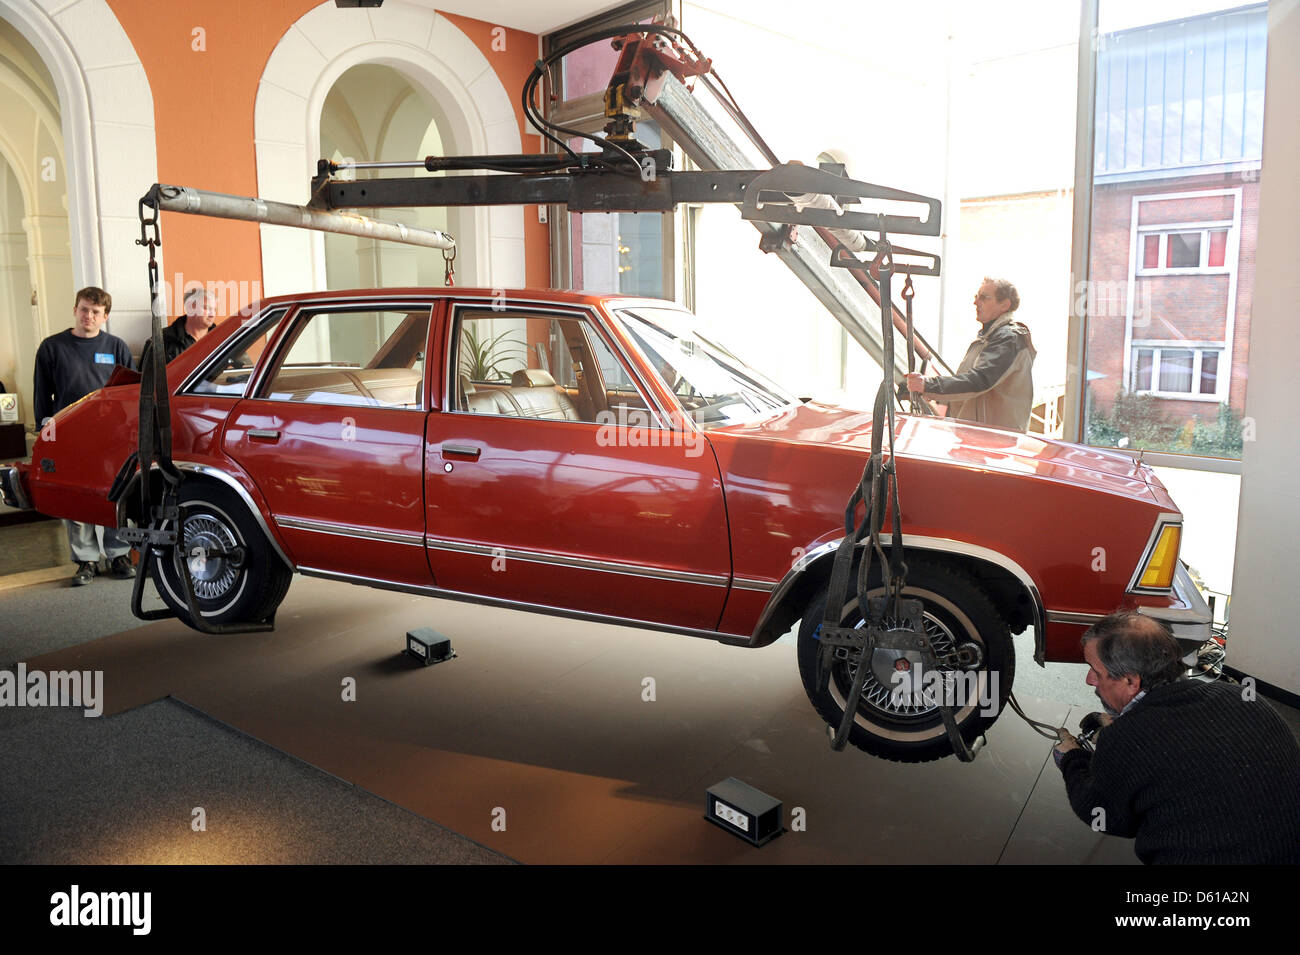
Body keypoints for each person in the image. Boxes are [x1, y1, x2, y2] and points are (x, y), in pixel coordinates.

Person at [1054, 610, 1300, 864]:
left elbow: (1103, 815)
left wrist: (1071, 758)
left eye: (1095, 670)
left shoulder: (1125, 740)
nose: (1088, 679)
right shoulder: (1246, 699)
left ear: (1130, 682)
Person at [33, 286, 136, 586]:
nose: (88, 315)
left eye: (95, 311)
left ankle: (118, 554)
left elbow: (131, 393)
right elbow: (42, 394)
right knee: (74, 495)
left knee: (115, 493)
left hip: (111, 436)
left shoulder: (117, 347)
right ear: (75, 310)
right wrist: (45, 433)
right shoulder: (52, 347)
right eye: (83, 309)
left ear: (105, 316)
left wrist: (130, 431)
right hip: (68, 434)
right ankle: (86, 560)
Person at [905, 277, 1036, 431]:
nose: (976, 302)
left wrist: (928, 385)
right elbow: (970, 393)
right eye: (976, 297)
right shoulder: (987, 340)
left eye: (984, 298)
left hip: (993, 445)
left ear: (1004, 305)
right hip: (977, 440)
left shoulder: (1009, 339)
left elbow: (979, 381)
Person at [139, 287, 217, 367]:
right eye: (206, 308)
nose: (212, 314)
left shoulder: (221, 340)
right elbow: (145, 378)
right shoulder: (159, 341)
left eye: (215, 309)